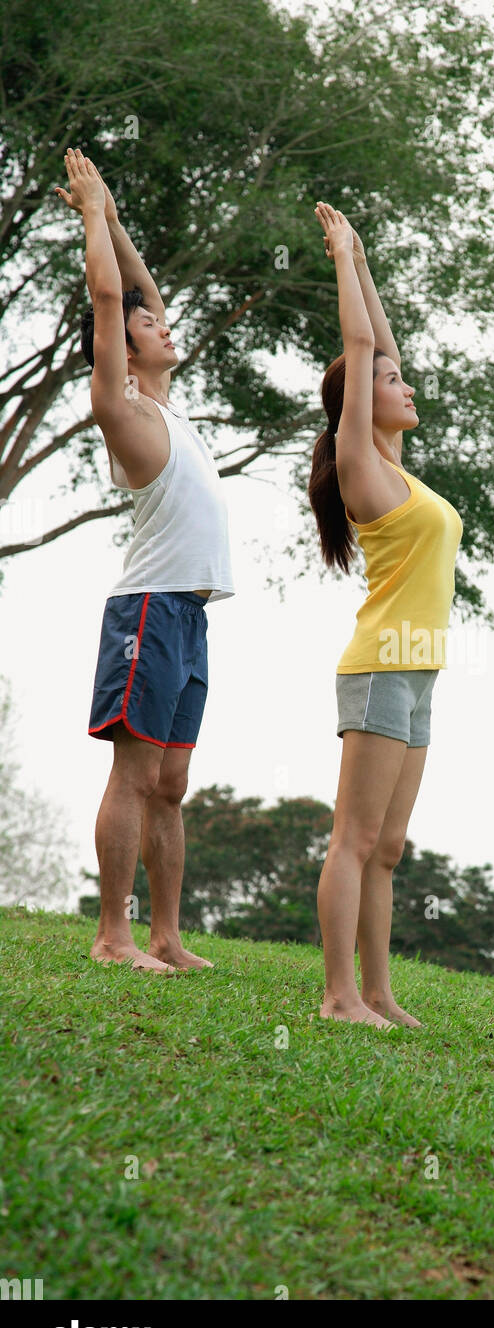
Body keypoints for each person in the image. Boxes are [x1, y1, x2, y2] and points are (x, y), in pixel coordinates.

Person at [56, 148, 234, 973]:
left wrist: (118, 221)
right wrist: (92, 217)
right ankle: (113, 935)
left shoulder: (175, 410)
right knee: (134, 775)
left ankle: (166, 935)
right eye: (147, 324)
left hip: (190, 615)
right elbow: (110, 297)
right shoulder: (121, 408)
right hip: (149, 609)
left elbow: (136, 290)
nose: (162, 319)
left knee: (172, 785)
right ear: (125, 349)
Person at [308, 202, 463, 1029]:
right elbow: (364, 348)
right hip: (379, 666)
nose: (406, 380)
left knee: (389, 850)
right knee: (354, 839)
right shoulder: (361, 463)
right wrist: (340, 264)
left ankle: (379, 993)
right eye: (391, 380)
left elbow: (380, 343)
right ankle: (338, 997)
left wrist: (365, 261)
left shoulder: (406, 475)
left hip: (419, 667)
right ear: (360, 407)